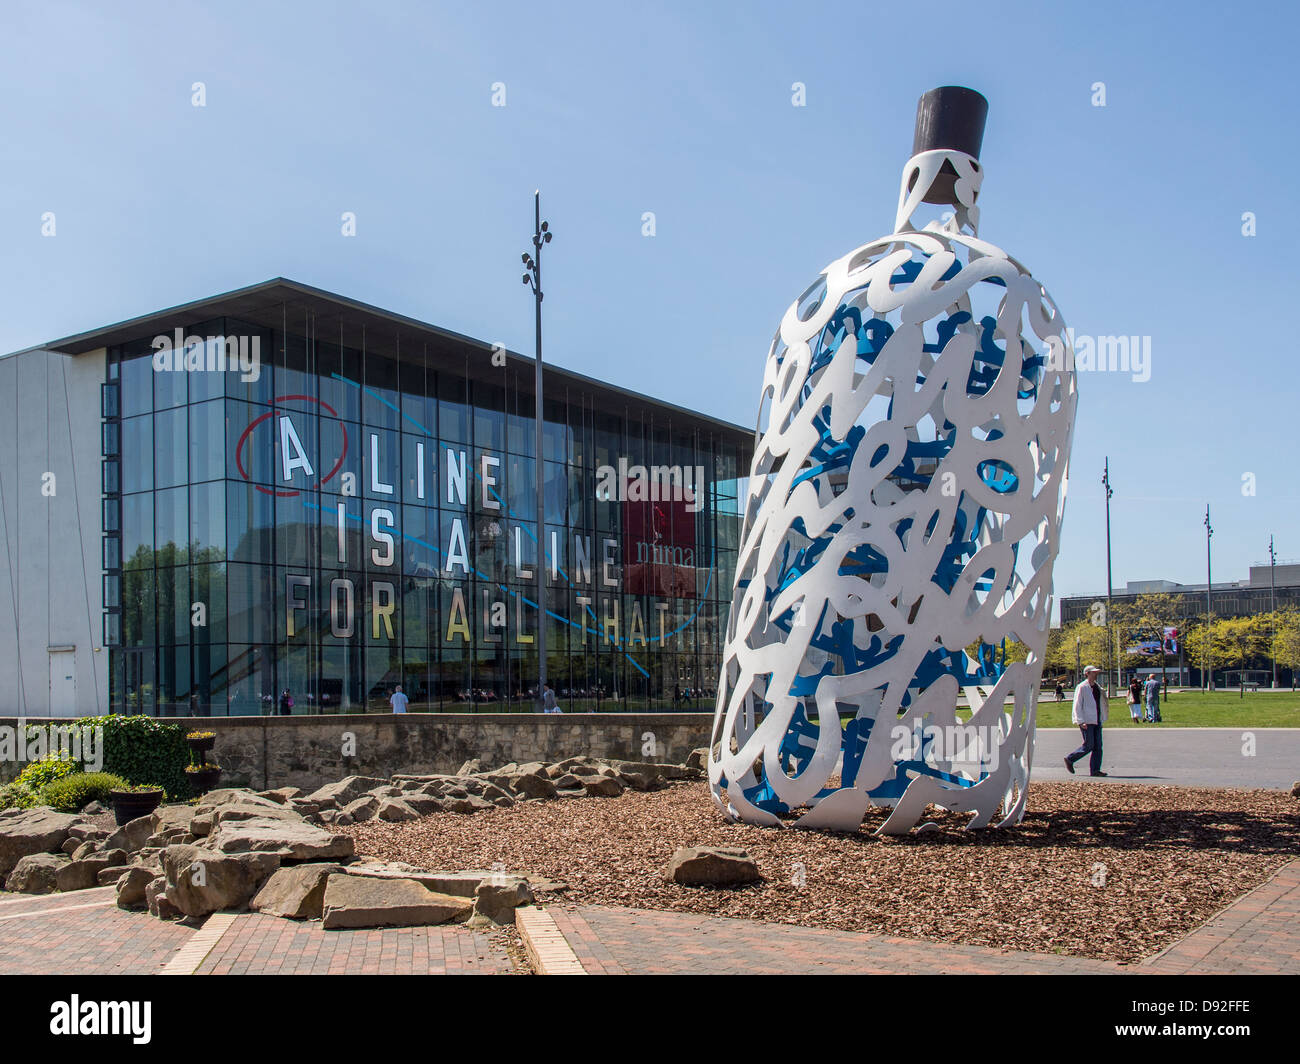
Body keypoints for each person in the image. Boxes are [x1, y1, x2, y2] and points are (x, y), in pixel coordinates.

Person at [1064, 665, 1108, 777]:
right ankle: (1070, 759)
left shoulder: (1097, 687)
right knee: (1089, 745)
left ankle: (1095, 770)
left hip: (1097, 719)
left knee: (1098, 746)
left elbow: (1100, 703)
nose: (1095, 675)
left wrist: (1102, 717)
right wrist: (1080, 720)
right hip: (1087, 720)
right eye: (1093, 673)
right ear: (1087, 673)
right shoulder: (1082, 687)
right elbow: (1077, 705)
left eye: (1096, 673)